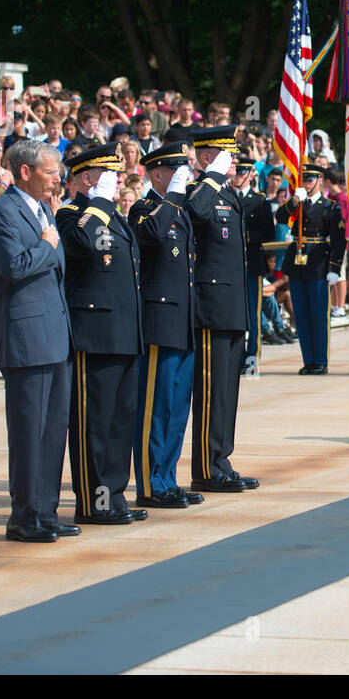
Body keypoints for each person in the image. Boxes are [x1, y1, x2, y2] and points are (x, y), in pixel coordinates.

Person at [0, 140, 76, 541]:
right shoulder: (5, 211)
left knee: (54, 428)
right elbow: (13, 266)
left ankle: (46, 510)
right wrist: (46, 243)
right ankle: (24, 517)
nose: (57, 178)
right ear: (26, 172)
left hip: (55, 332)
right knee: (28, 430)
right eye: (50, 171)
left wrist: (47, 242)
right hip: (26, 336)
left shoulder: (43, 210)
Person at [55, 142, 147, 525]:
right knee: (94, 422)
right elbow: (81, 245)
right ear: (87, 178)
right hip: (94, 332)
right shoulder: (70, 213)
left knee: (120, 419)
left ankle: (115, 496)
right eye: (109, 175)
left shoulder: (110, 214)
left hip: (124, 330)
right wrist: (101, 204)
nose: (116, 180)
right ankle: (94, 502)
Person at [183, 124, 258, 493]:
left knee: (227, 390)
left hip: (231, 305)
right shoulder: (200, 190)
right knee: (211, 390)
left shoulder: (228, 193)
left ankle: (221, 459)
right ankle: (206, 468)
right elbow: (193, 213)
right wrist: (211, 175)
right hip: (210, 305)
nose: (234, 159)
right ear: (209, 157)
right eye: (226, 153)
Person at [128, 141, 203, 509]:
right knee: (154, 408)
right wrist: (171, 199)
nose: (184, 176)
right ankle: (149, 483)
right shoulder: (143, 209)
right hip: (158, 319)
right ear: (157, 174)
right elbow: (152, 236)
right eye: (177, 170)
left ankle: (168, 477)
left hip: (183, 319)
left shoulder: (183, 210)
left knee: (177, 405)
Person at [274, 163, 347, 374]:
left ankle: (320, 361)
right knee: (302, 315)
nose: (306, 183)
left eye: (310, 180)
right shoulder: (297, 203)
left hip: (317, 264)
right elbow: (280, 218)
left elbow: (339, 239)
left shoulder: (329, 207)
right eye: (304, 179)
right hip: (297, 265)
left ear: (319, 181)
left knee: (318, 315)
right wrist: (294, 200)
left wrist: (335, 267)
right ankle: (308, 360)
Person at [235, 156, 275, 373]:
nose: (239, 176)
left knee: (253, 313)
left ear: (251, 175)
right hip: (232, 266)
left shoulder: (260, 201)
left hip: (252, 264)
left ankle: (252, 360)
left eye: (243, 172)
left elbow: (268, 232)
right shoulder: (228, 196)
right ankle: (237, 357)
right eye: (237, 171)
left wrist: (242, 236)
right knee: (237, 314)